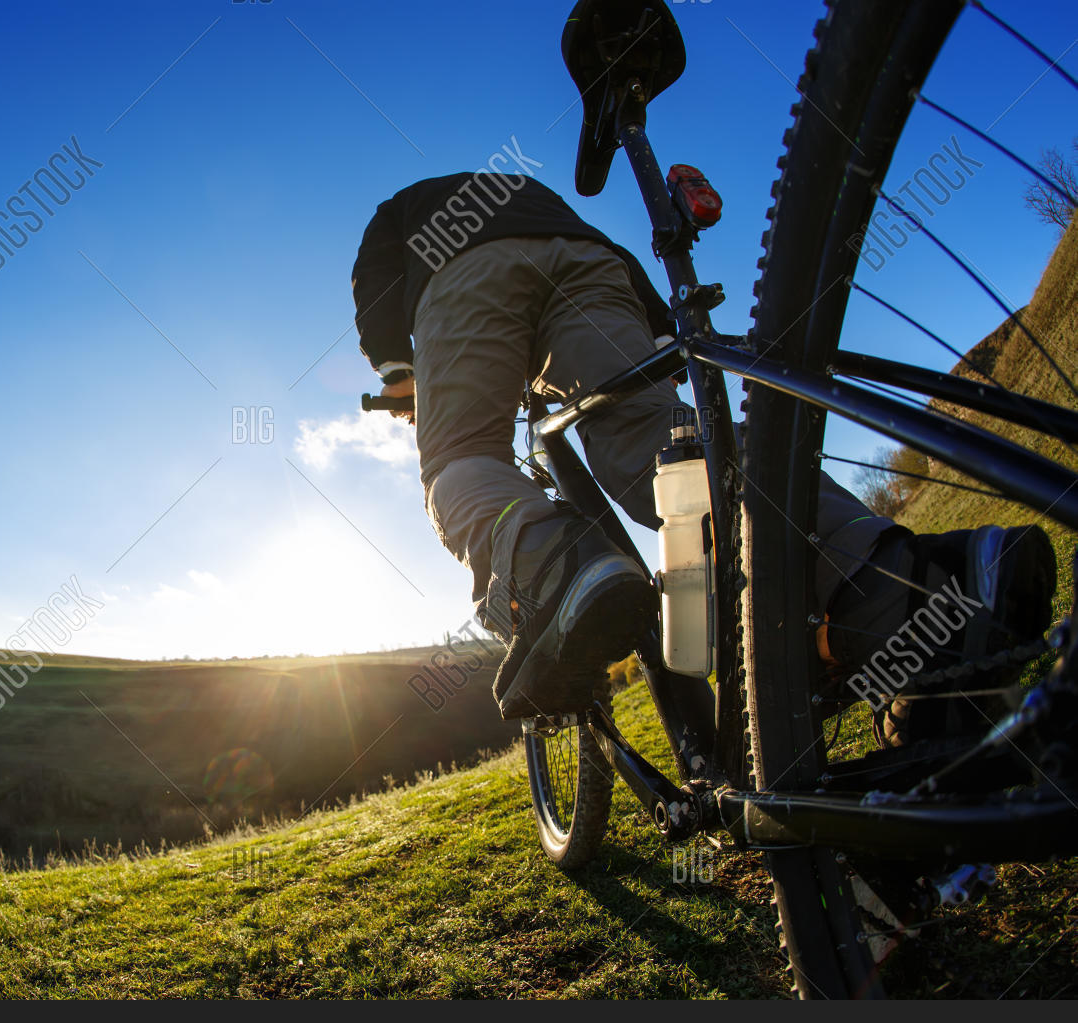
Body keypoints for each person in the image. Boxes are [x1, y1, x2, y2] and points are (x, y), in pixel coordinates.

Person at [351, 170, 1056, 732]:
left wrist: (394, 366)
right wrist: (656, 342)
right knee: (652, 438)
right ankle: (889, 584)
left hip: (466, 273)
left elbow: (379, 248)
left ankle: (559, 569)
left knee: (459, 458)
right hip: (594, 264)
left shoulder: (417, 207)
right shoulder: (538, 200)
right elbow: (618, 293)